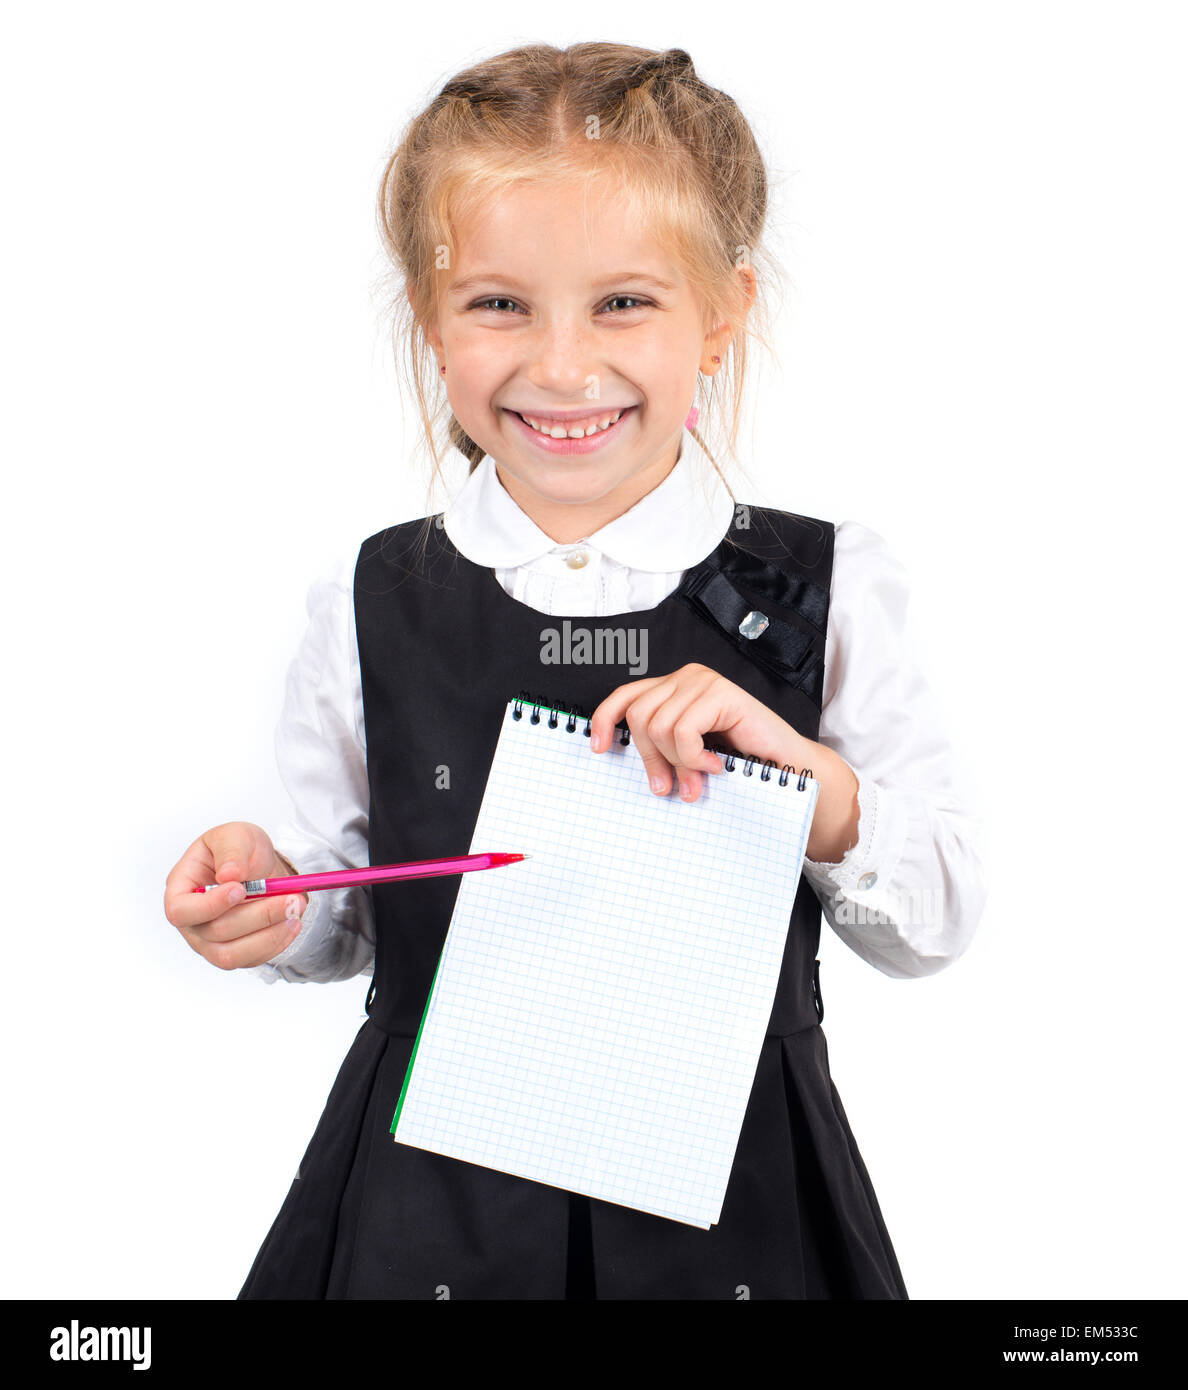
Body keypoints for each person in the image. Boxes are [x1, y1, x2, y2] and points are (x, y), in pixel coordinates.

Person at [163, 41, 987, 1300]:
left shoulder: (831, 585)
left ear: (722, 316)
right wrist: (271, 898)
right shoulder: (372, 593)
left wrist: (814, 786)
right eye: (499, 303)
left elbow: (937, 922)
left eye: (623, 302)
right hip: (428, 1210)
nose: (559, 367)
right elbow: (341, 906)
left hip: (739, 1215)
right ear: (432, 322)